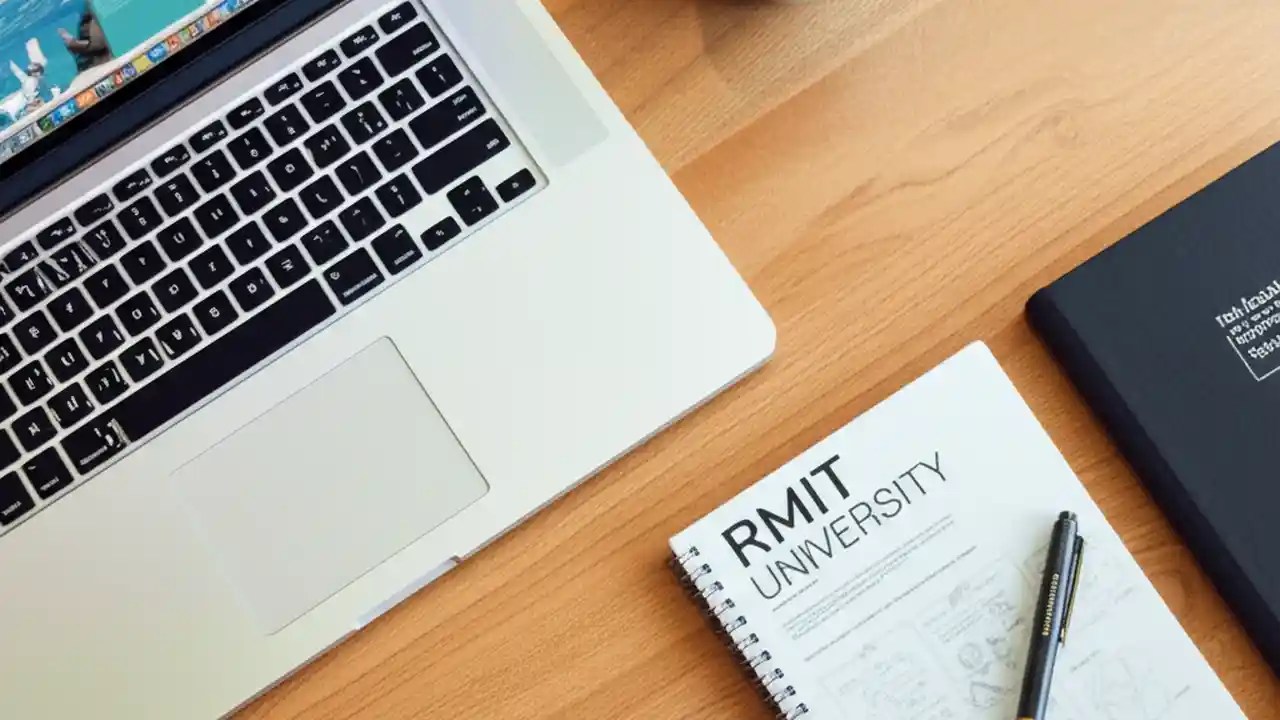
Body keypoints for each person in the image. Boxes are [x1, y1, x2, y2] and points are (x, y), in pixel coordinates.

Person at [58, 5, 113, 73]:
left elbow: (98, 43)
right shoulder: (83, 20)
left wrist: (73, 43)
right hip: (91, 67)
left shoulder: (94, 17)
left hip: (102, 66)